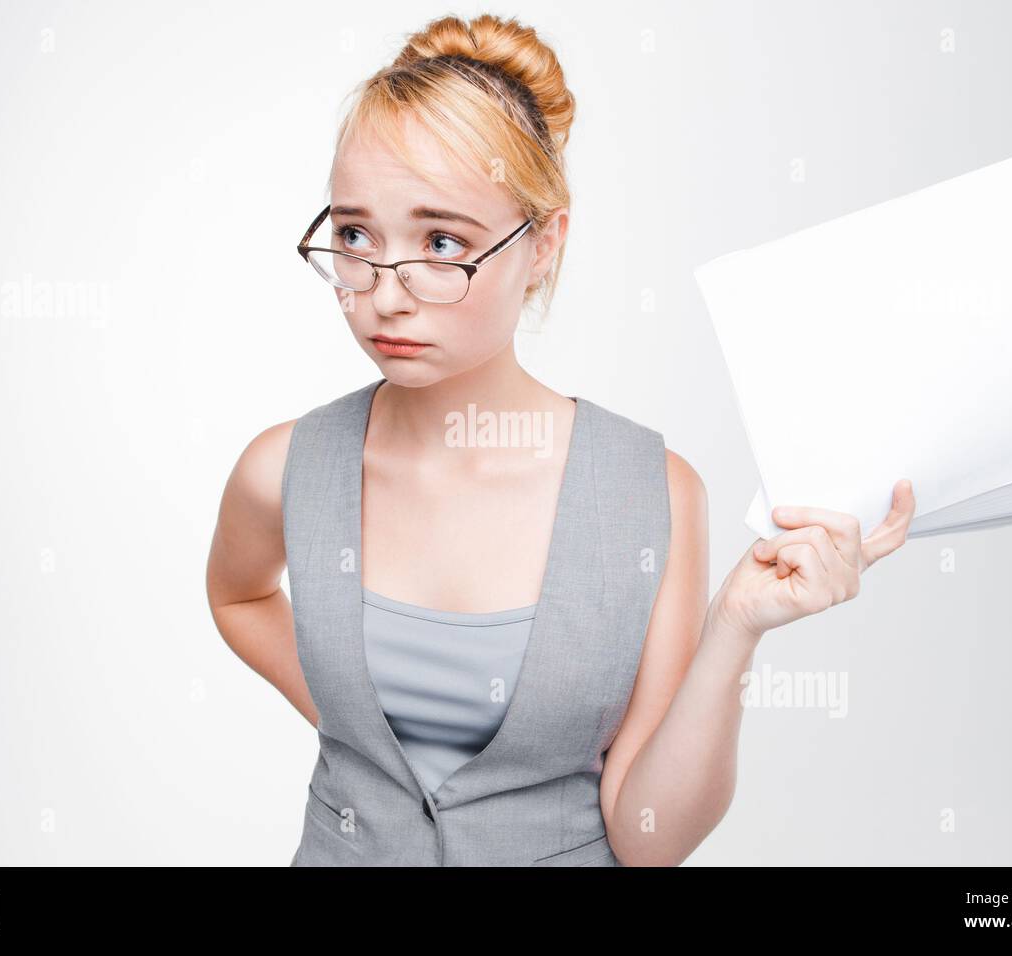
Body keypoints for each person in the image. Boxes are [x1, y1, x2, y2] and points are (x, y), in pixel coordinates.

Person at [205, 12, 915, 866]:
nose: (385, 294)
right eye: (356, 236)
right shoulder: (285, 468)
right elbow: (238, 596)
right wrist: (361, 732)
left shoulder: (648, 491)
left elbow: (647, 840)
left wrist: (736, 626)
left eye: (441, 242)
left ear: (543, 244)